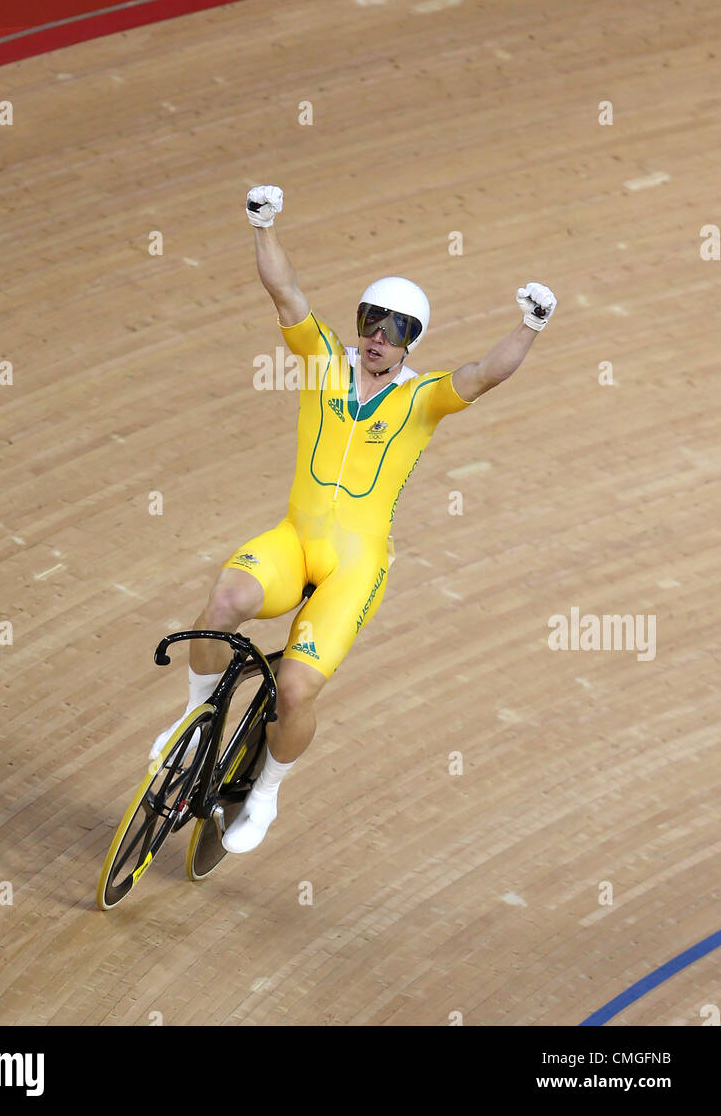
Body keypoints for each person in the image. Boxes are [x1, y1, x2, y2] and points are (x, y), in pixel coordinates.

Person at [150, 186, 557, 853]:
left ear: (411, 343)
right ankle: (194, 722)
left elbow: (486, 373)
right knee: (223, 601)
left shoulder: (424, 399)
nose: (377, 336)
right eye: (372, 319)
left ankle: (266, 793)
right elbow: (285, 293)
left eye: (395, 329)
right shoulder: (323, 361)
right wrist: (264, 224)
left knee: (296, 691)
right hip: (293, 544)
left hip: (353, 567)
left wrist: (531, 326)